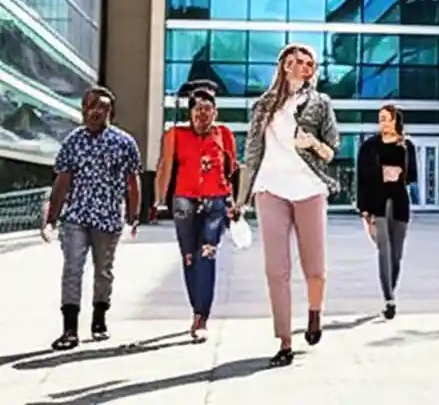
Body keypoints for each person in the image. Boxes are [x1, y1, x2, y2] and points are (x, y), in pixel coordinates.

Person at [236, 43, 340, 368]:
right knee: (276, 269)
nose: (305, 67)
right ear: (284, 65)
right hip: (270, 189)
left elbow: (331, 151)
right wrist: (240, 200)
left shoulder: (320, 103)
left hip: (309, 189)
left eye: (310, 63)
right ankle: (284, 341)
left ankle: (314, 313)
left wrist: (313, 143)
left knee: (314, 267)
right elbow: (251, 154)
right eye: (299, 61)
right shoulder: (264, 105)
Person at [42, 86, 142, 351]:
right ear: (83, 110)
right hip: (76, 217)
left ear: (111, 112)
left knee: (103, 270)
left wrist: (134, 215)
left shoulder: (124, 143)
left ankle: (99, 316)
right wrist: (51, 218)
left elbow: (132, 181)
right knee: (72, 268)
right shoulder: (72, 142)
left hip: (108, 219)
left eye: (104, 107)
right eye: (92, 106)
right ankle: (70, 330)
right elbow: (62, 182)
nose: (97, 112)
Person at [153, 86, 239, 342]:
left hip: (216, 202)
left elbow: (232, 170)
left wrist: (234, 203)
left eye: (208, 109)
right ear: (190, 113)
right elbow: (164, 167)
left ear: (216, 112)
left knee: (207, 254)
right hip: (184, 202)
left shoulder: (224, 134)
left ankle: (202, 316)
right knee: (189, 257)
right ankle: (196, 308)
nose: (203, 114)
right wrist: (158, 200)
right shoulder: (175, 135)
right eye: (198, 109)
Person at [357, 104, 418, 320]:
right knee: (384, 248)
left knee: (397, 253)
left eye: (386, 118)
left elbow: (412, 176)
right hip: (377, 202)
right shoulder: (369, 146)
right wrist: (364, 209)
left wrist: (399, 172)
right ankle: (389, 298)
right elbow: (361, 179)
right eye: (380, 119)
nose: (383, 123)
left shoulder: (406, 145)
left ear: (395, 121)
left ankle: (391, 289)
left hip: (400, 201)